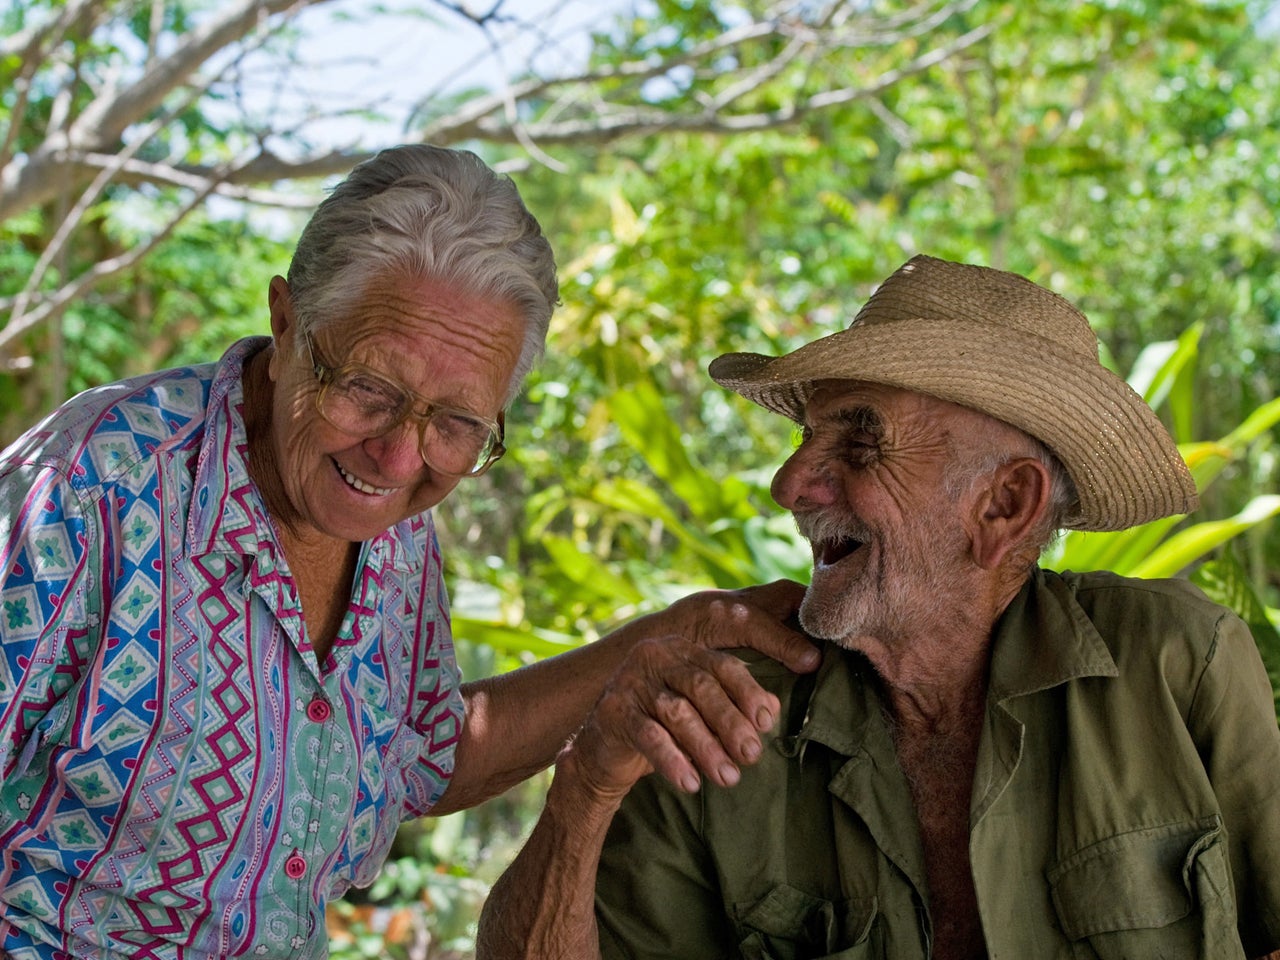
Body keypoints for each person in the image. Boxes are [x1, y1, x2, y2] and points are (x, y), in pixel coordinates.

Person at [0, 144, 819, 960]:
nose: (398, 457)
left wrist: (668, 638)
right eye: (367, 389)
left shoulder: (388, 524)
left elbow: (421, 753)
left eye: (458, 423)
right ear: (287, 325)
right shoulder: (95, 486)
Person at [477, 254, 1280, 960]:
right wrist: (586, 787)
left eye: (859, 443)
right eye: (805, 439)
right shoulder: (723, 721)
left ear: (1004, 506)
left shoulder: (1178, 664)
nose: (790, 486)